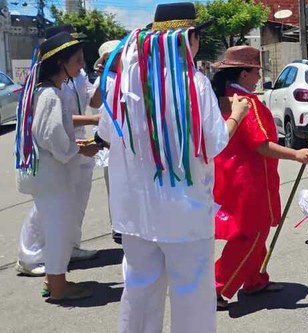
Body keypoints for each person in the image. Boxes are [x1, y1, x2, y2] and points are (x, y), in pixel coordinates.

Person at [97, 3, 250, 332]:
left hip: (137, 214)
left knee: (139, 291)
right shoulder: (193, 83)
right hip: (186, 214)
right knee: (191, 295)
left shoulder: (124, 83)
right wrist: (236, 115)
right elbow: (214, 143)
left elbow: (106, 134)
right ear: (190, 38)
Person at [210, 45, 308, 311]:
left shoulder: (229, 97)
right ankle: (216, 288)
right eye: (256, 71)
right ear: (244, 73)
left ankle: (255, 279)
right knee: (250, 234)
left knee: (256, 232)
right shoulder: (246, 103)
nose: (258, 77)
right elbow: (261, 144)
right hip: (248, 178)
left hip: (239, 175)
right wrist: (296, 154)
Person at [14, 31, 102, 300]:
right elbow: (51, 137)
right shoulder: (50, 94)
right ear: (60, 64)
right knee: (58, 230)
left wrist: (77, 146)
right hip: (52, 175)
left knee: (56, 227)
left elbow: (51, 133)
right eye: (77, 60)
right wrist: (80, 149)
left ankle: (54, 281)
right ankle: (59, 286)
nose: (81, 66)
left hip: (47, 173)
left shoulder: (47, 91)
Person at [94, 40, 122, 244]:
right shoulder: (106, 78)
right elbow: (94, 102)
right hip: (108, 140)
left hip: (124, 139)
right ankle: (118, 226)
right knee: (114, 184)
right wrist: (102, 77)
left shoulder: (128, 76)